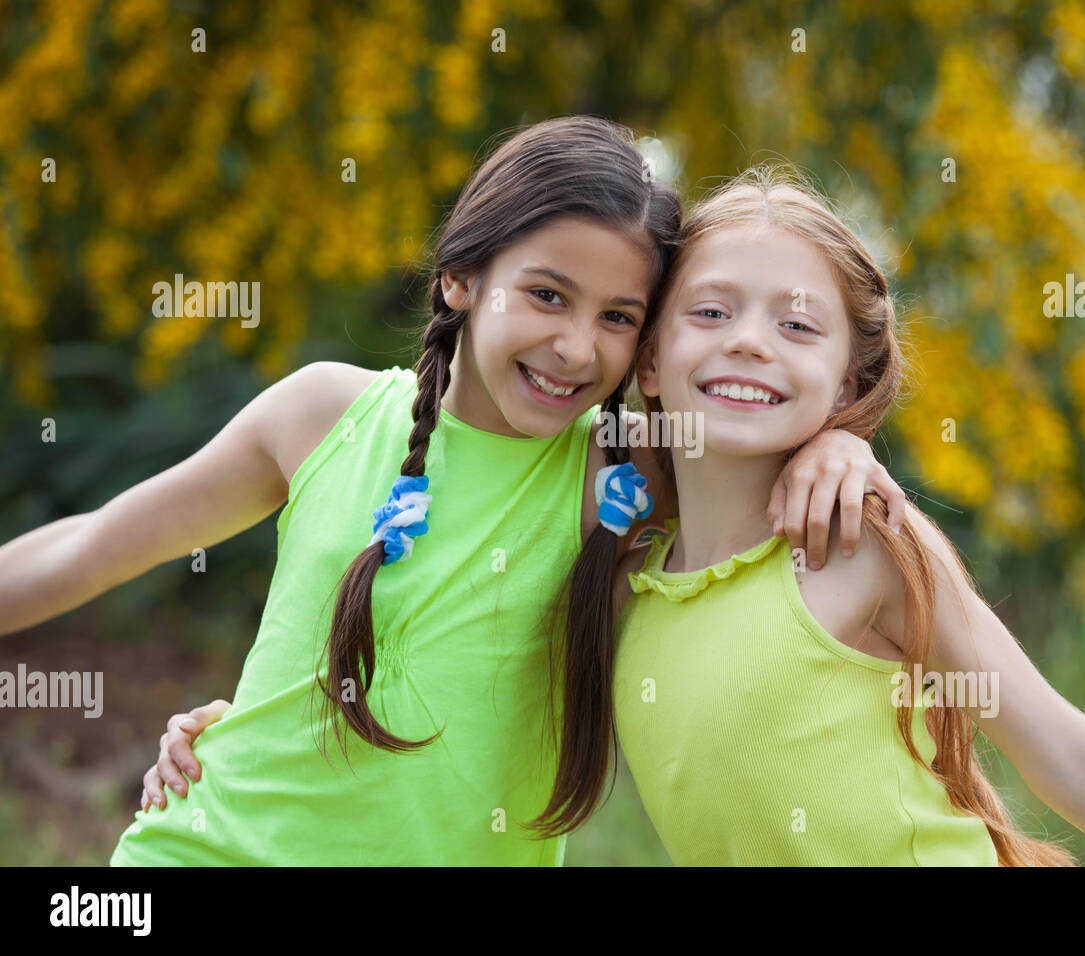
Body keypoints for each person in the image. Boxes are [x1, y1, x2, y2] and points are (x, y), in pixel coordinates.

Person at [2, 118, 905, 864]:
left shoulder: (629, 474)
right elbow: (88, 548)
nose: (575, 347)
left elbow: (763, 422)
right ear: (461, 277)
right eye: (546, 295)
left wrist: (841, 447)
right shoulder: (324, 414)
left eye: (618, 318)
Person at [599, 166, 1085, 865]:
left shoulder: (860, 542)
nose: (750, 341)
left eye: (797, 325)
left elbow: (1066, 754)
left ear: (845, 385)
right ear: (649, 361)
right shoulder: (627, 580)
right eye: (710, 313)